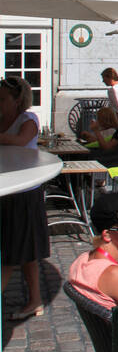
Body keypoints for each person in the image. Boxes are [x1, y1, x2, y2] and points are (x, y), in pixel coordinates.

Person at [0, 74, 51, 321]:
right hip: (6, 190)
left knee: (10, 253)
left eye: (1, 99)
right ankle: (35, 300)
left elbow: (21, 141)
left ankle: (34, 300)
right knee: (24, 251)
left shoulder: (28, 118)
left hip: (24, 192)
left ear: (17, 99)